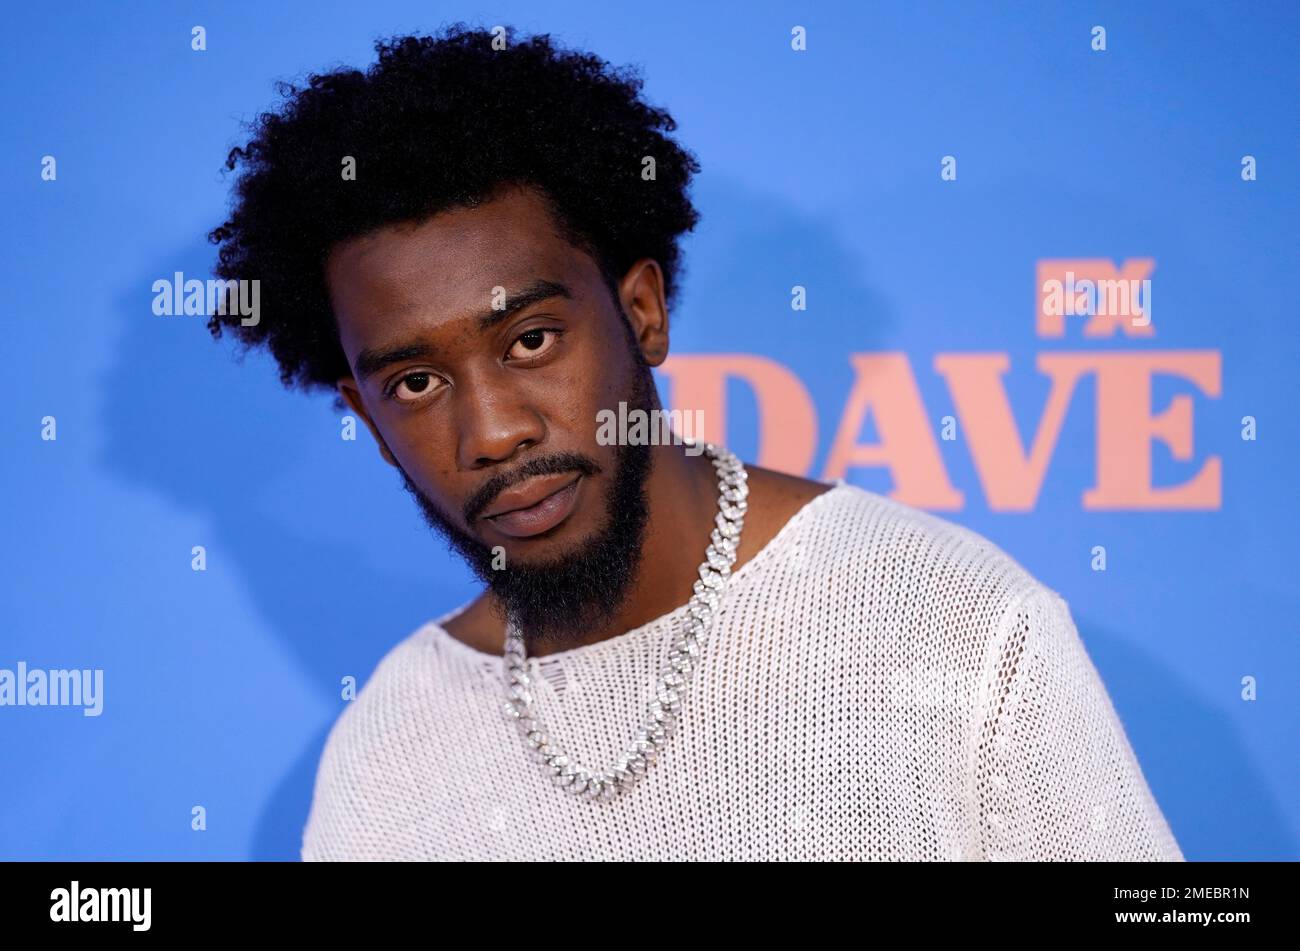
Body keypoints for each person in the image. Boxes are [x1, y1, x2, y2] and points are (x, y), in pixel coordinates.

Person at [208, 24, 1183, 861]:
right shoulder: (388, 748)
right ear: (368, 419)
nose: (494, 430)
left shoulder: (950, 623)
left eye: (532, 340)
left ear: (641, 312)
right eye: (415, 383)